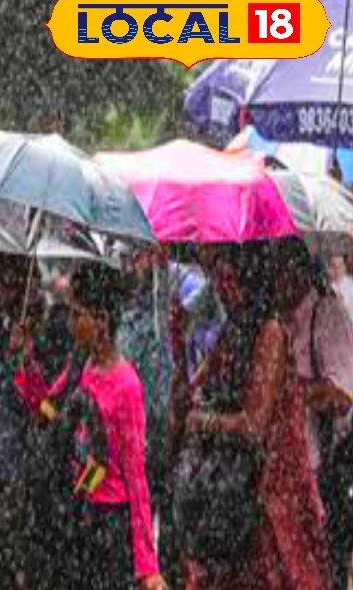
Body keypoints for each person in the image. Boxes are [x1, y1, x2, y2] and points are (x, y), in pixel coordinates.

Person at [173, 243, 330, 590]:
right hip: (234, 496)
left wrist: (206, 422)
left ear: (248, 274)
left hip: (271, 495)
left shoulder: (271, 331)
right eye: (217, 276)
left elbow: (254, 424)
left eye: (228, 276)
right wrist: (177, 341)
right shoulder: (233, 331)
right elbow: (191, 393)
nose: (222, 288)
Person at [0, 253, 69, 589]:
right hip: (5, 480)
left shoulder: (57, 330)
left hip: (39, 483)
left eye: (12, 283)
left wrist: (30, 360)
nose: (3, 295)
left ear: (31, 280)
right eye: (0, 284)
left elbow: (54, 413)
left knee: (4, 569)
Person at [53, 263, 163, 590]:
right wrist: (23, 360)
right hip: (79, 512)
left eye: (78, 315)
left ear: (101, 320)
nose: (71, 324)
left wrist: (146, 564)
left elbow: (135, 475)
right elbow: (47, 406)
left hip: (109, 525)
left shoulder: (126, 385)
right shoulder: (81, 365)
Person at [279, 241, 353, 590]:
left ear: (294, 271)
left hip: (322, 476)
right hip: (288, 477)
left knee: (324, 575)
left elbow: (342, 397)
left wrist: (290, 388)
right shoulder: (278, 320)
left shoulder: (327, 313)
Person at [116, 247, 175, 584]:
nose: (139, 263)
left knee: (165, 534)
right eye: (135, 257)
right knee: (138, 527)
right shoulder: (122, 323)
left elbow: (162, 302)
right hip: (136, 440)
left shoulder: (160, 317)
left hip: (162, 433)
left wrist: (163, 268)